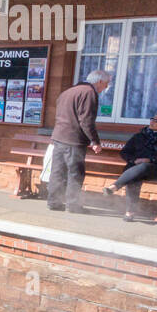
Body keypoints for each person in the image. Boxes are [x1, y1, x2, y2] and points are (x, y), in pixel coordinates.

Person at [103, 111, 157, 221]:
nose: (152, 122)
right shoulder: (140, 135)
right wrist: (133, 160)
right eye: (152, 119)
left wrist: (150, 159)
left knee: (143, 167)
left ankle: (115, 186)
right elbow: (125, 152)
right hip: (137, 168)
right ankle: (130, 212)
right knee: (134, 176)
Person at [47, 69, 111, 213]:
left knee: (57, 172)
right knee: (75, 173)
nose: (106, 88)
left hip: (58, 137)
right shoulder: (89, 93)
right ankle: (73, 205)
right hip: (74, 140)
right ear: (99, 81)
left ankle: (53, 202)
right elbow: (86, 120)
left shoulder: (69, 91)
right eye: (106, 84)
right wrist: (95, 141)